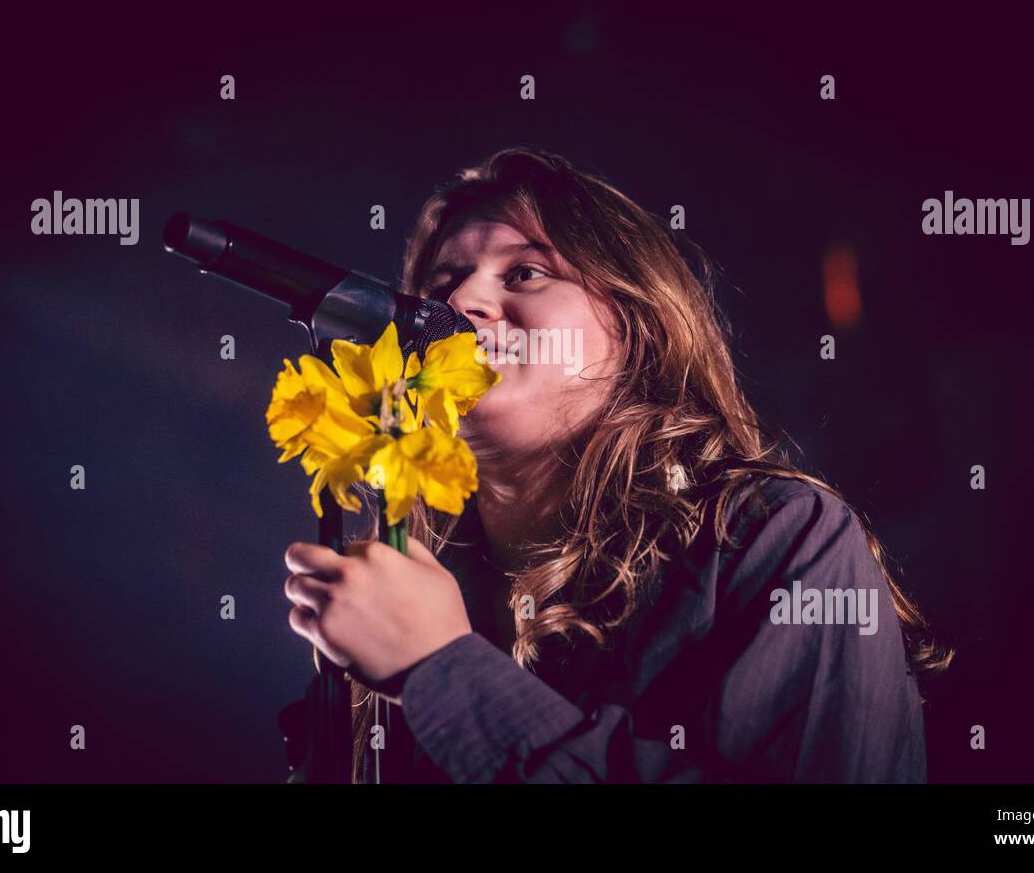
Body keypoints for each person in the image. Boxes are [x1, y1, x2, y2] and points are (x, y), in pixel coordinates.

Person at [282, 147, 953, 783]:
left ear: (639, 327)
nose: (460, 305)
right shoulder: (411, 567)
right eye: (442, 285)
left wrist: (442, 670)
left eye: (525, 273)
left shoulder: (781, 537)